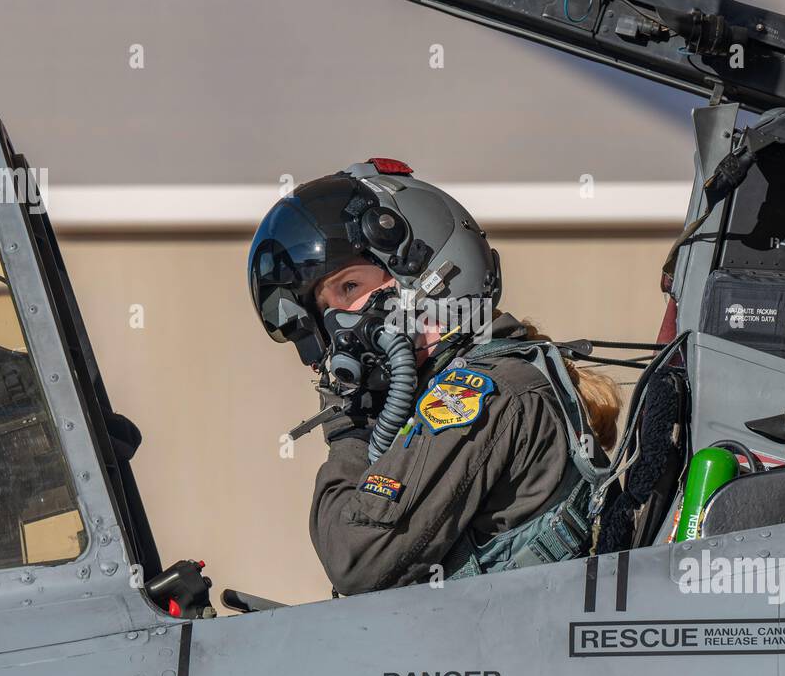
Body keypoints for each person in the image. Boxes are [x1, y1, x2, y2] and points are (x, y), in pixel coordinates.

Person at [248, 158, 620, 595]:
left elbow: (356, 560)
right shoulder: (467, 388)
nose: (337, 321)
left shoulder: (485, 392)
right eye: (325, 306)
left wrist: (350, 433)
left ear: (430, 276)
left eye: (349, 288)